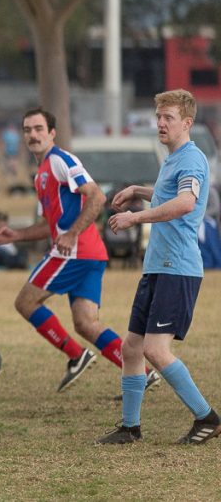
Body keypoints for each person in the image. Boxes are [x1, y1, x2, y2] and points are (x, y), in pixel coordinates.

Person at [0, 108, 158, 393]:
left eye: (38, 129)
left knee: (25, 303)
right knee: (86, 323)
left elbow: (96, 196)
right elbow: (49, 224)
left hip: (74, 252)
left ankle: (75, 354)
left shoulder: (59, 160)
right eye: (27, 130)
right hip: (91, 254)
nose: (33, 135)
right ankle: (141, 373)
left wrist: (71, 234)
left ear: (52, 133)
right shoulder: (40, 174)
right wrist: (16, 234)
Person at [98, 90, 221, 446]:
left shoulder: (192, 159)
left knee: (155, 350)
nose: (161, 123)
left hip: (177, 268)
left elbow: (185, 203)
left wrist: (136, 216)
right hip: (157, 267)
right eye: (158, 117)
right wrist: (138, 189)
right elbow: (169, 194)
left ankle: (207, 417)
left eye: (168, 117)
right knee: (132, 347)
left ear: (187, 122)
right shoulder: (172, 159)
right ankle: (130, 428)